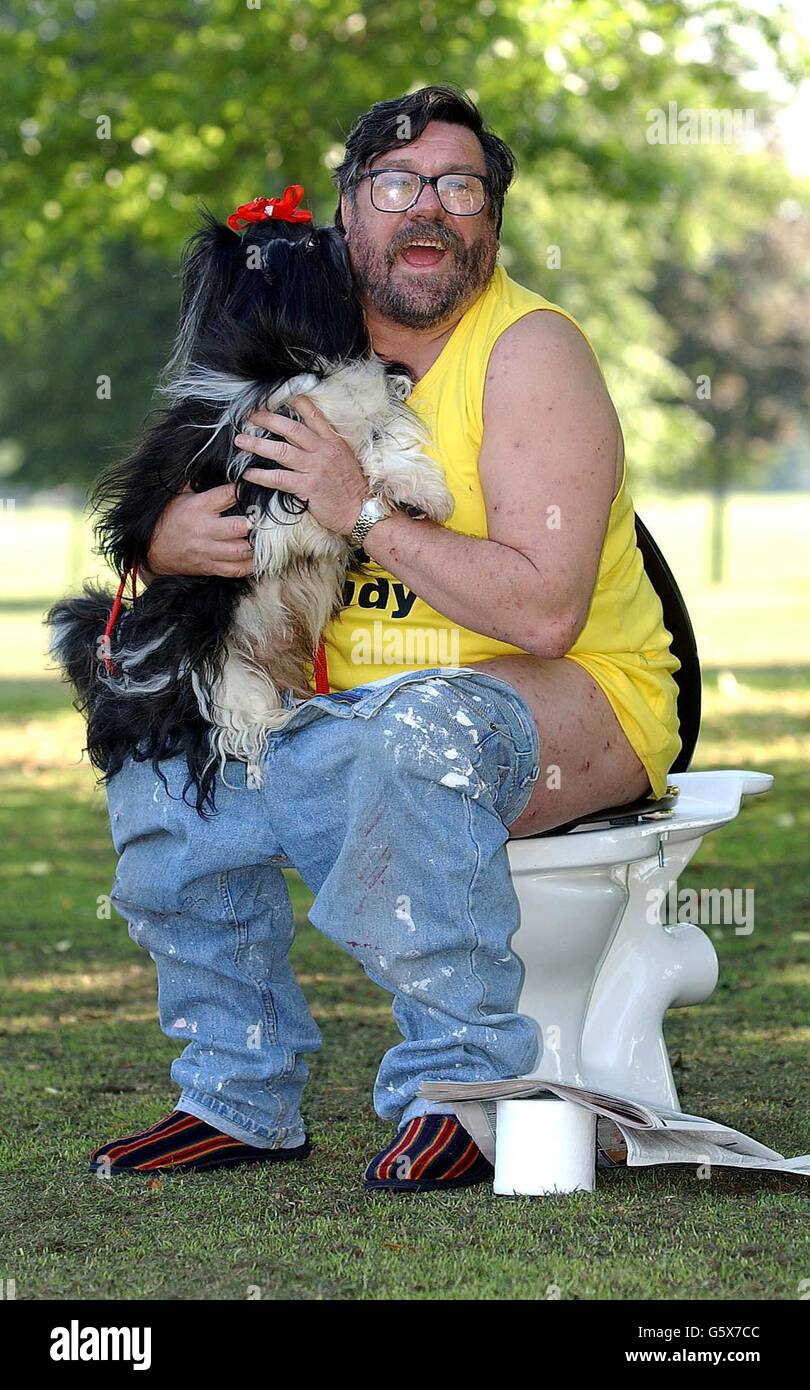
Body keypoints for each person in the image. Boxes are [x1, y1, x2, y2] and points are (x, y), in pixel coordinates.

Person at [90, 85, 681, 1191]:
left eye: (461, 188)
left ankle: (463, 1091)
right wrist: (164, 541)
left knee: (416, 730)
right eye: (399, 185)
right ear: (348, 214)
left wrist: (360, 507)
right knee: (156, 730)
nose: (430, 210)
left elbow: (548, 614)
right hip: (350, 712)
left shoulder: (531, 352)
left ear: (491, 220)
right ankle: (237, 1088)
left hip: (564, 702)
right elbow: (191, 498)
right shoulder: (302, 334)